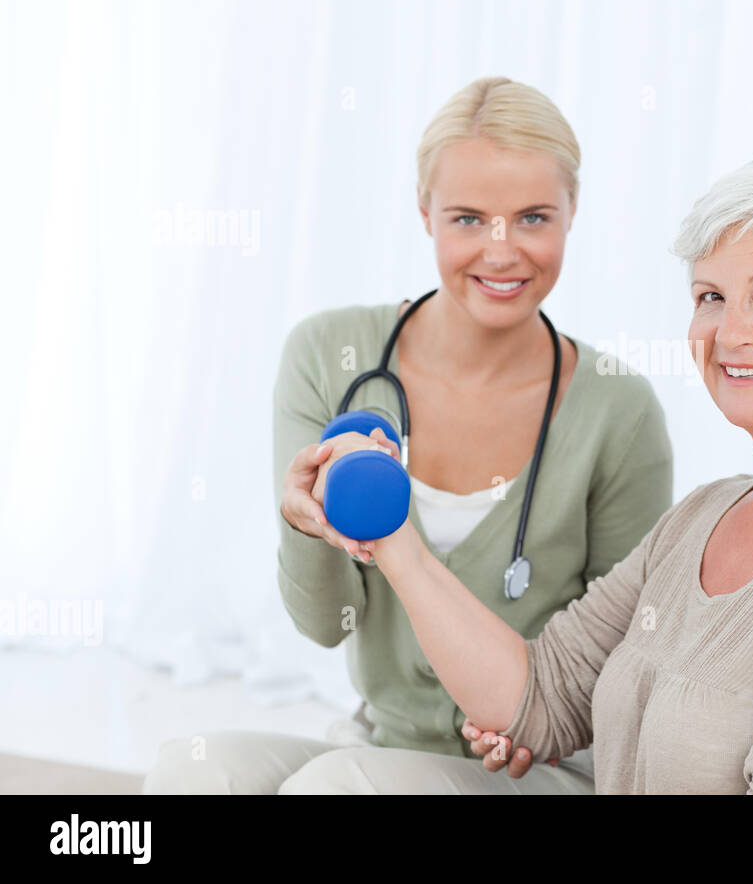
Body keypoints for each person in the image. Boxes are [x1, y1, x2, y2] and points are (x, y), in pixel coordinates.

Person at [260, 147, 753, 794]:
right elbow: (543, 696)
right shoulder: (706, 515)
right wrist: (390, 537)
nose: (729, 332)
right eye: (709, 296)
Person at [141, 76, 673, 794]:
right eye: (467, 218)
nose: (501, 251)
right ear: (424, 211)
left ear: (573, 210)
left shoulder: (619, 408)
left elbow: (630, 657)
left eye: (533, 218)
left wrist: (544, 721)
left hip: (539, 763)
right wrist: (307, 525)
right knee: (194, 773)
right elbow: (328, 625)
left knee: (335, 789)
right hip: (382, 742)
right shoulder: (329, 355)